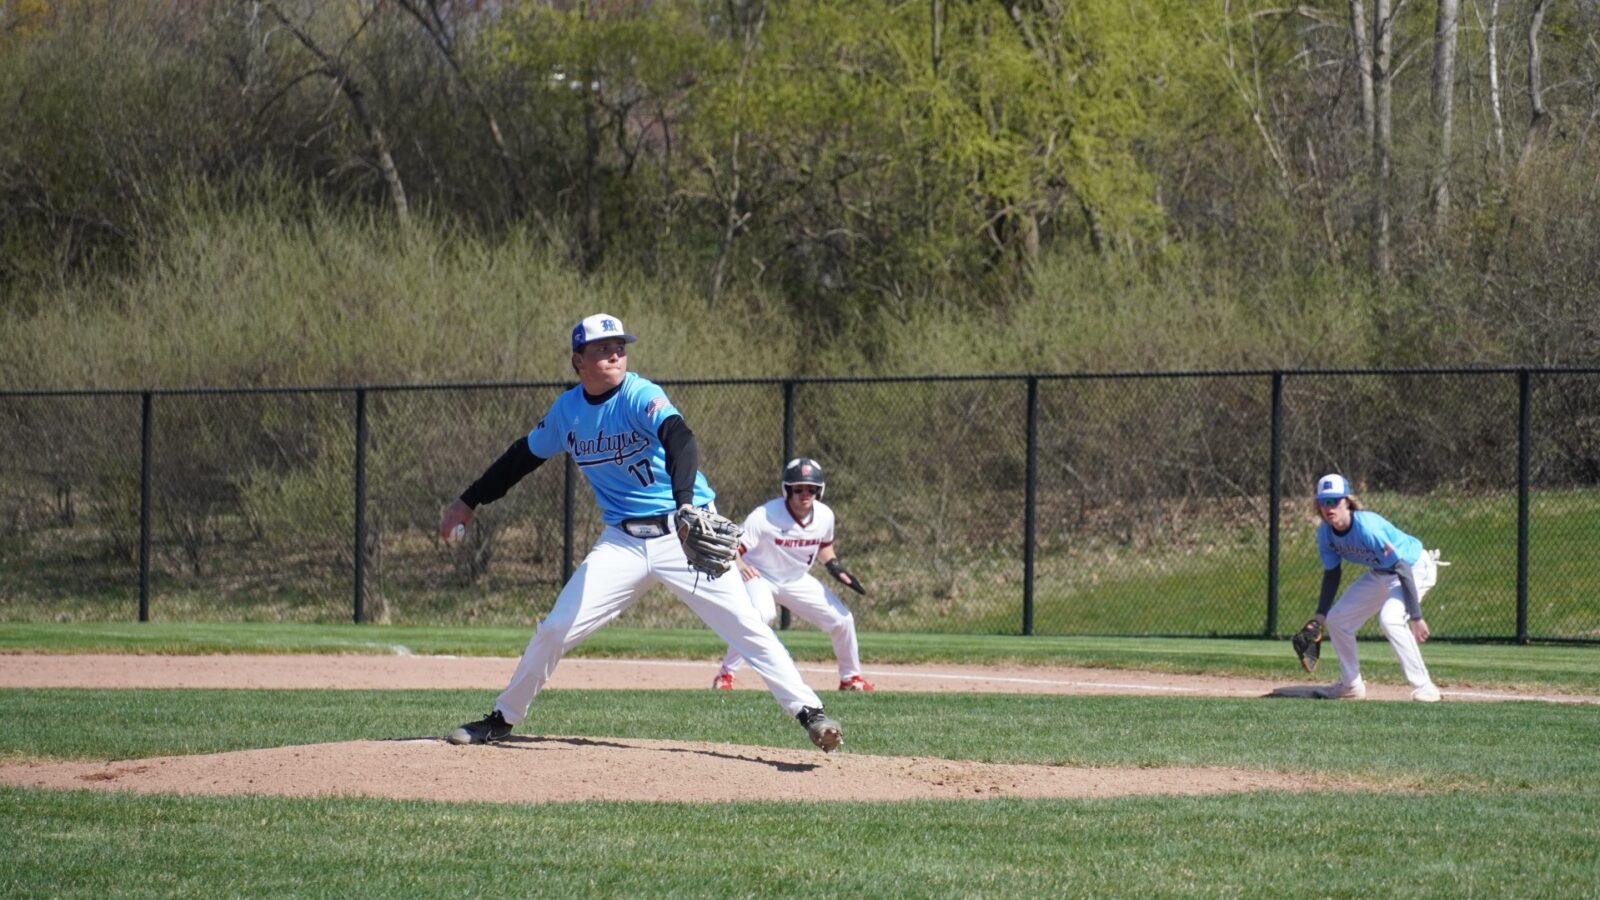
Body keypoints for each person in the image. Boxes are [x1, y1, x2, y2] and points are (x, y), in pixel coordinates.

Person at [438, 313, 843, 751]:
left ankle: (812, 714)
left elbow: (680, 438)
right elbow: (521, 458)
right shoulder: (567, 411)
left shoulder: (639, 393)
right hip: (623, 542)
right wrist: (468, 500)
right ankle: (502, 718)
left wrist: (686, 502)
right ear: (578, 360)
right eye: (602, 349)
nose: (615, 354)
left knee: (746, 626)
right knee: (555, 628)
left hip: (684, 533)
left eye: (620, 347)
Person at [712, 457, 876, 693]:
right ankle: (726, 675)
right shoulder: (765, 515)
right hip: (760, 575)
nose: (805, 494)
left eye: (811, 489)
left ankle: (850, 679)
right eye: (798, 489)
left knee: (843, 621)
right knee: (760, 616)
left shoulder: (824, 515)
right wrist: (740, 565)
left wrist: (834, 566)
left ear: (820, 491)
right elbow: (732, 546)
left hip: (796, 579)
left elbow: (824, 546)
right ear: (786, 489)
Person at [1307, 473, 1444, 702]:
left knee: (1390, 619)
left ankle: (1426, 687)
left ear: (1347, 502)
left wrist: (1416, 617)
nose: (1328, 507)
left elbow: (1402, 568)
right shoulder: (1325, 533)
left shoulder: (1366, 528)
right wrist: (1320, 616)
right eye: (1323, 502)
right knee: (1338, 619)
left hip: (1414, 568)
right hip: (1381, 573)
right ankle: (1351, 685)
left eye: (1334, 501)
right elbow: (1332, 574)